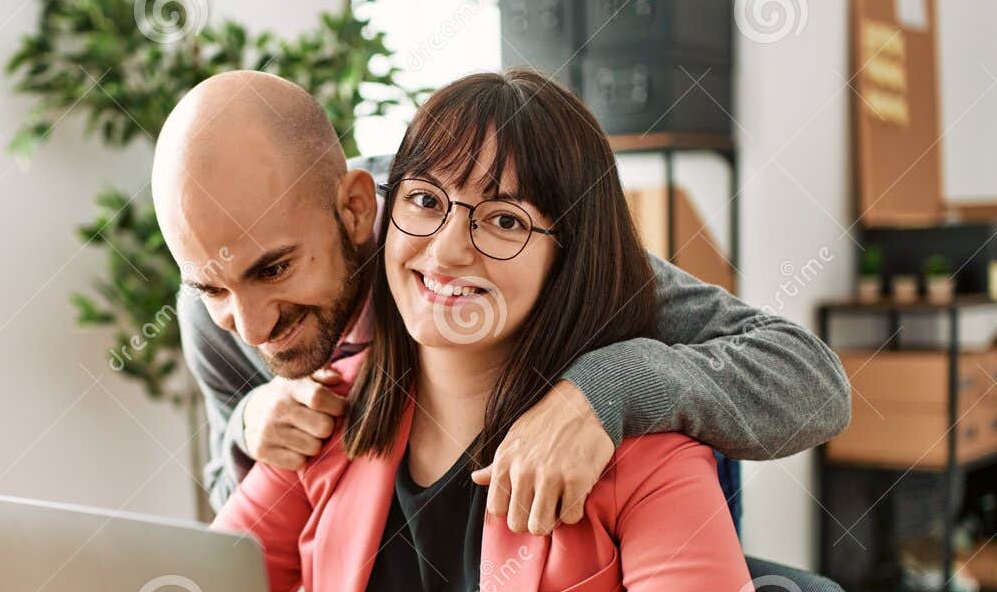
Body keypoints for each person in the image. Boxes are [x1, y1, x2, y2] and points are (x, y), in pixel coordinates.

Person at [201, 69, 819, 592]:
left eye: (504, 221)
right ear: (386, 216)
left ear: (568, 253)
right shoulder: (332, 411)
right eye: (424, 201)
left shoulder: (634, 443)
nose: (446, 251)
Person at [153, 70, 850, 533]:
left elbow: (813, 382)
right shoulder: (220, 314)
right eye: (211, 287)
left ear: (359, 208)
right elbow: (235, 516)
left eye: (276, 269)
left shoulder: (503, 250)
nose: (251, 326)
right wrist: (246, 429)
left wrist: (610, 384)